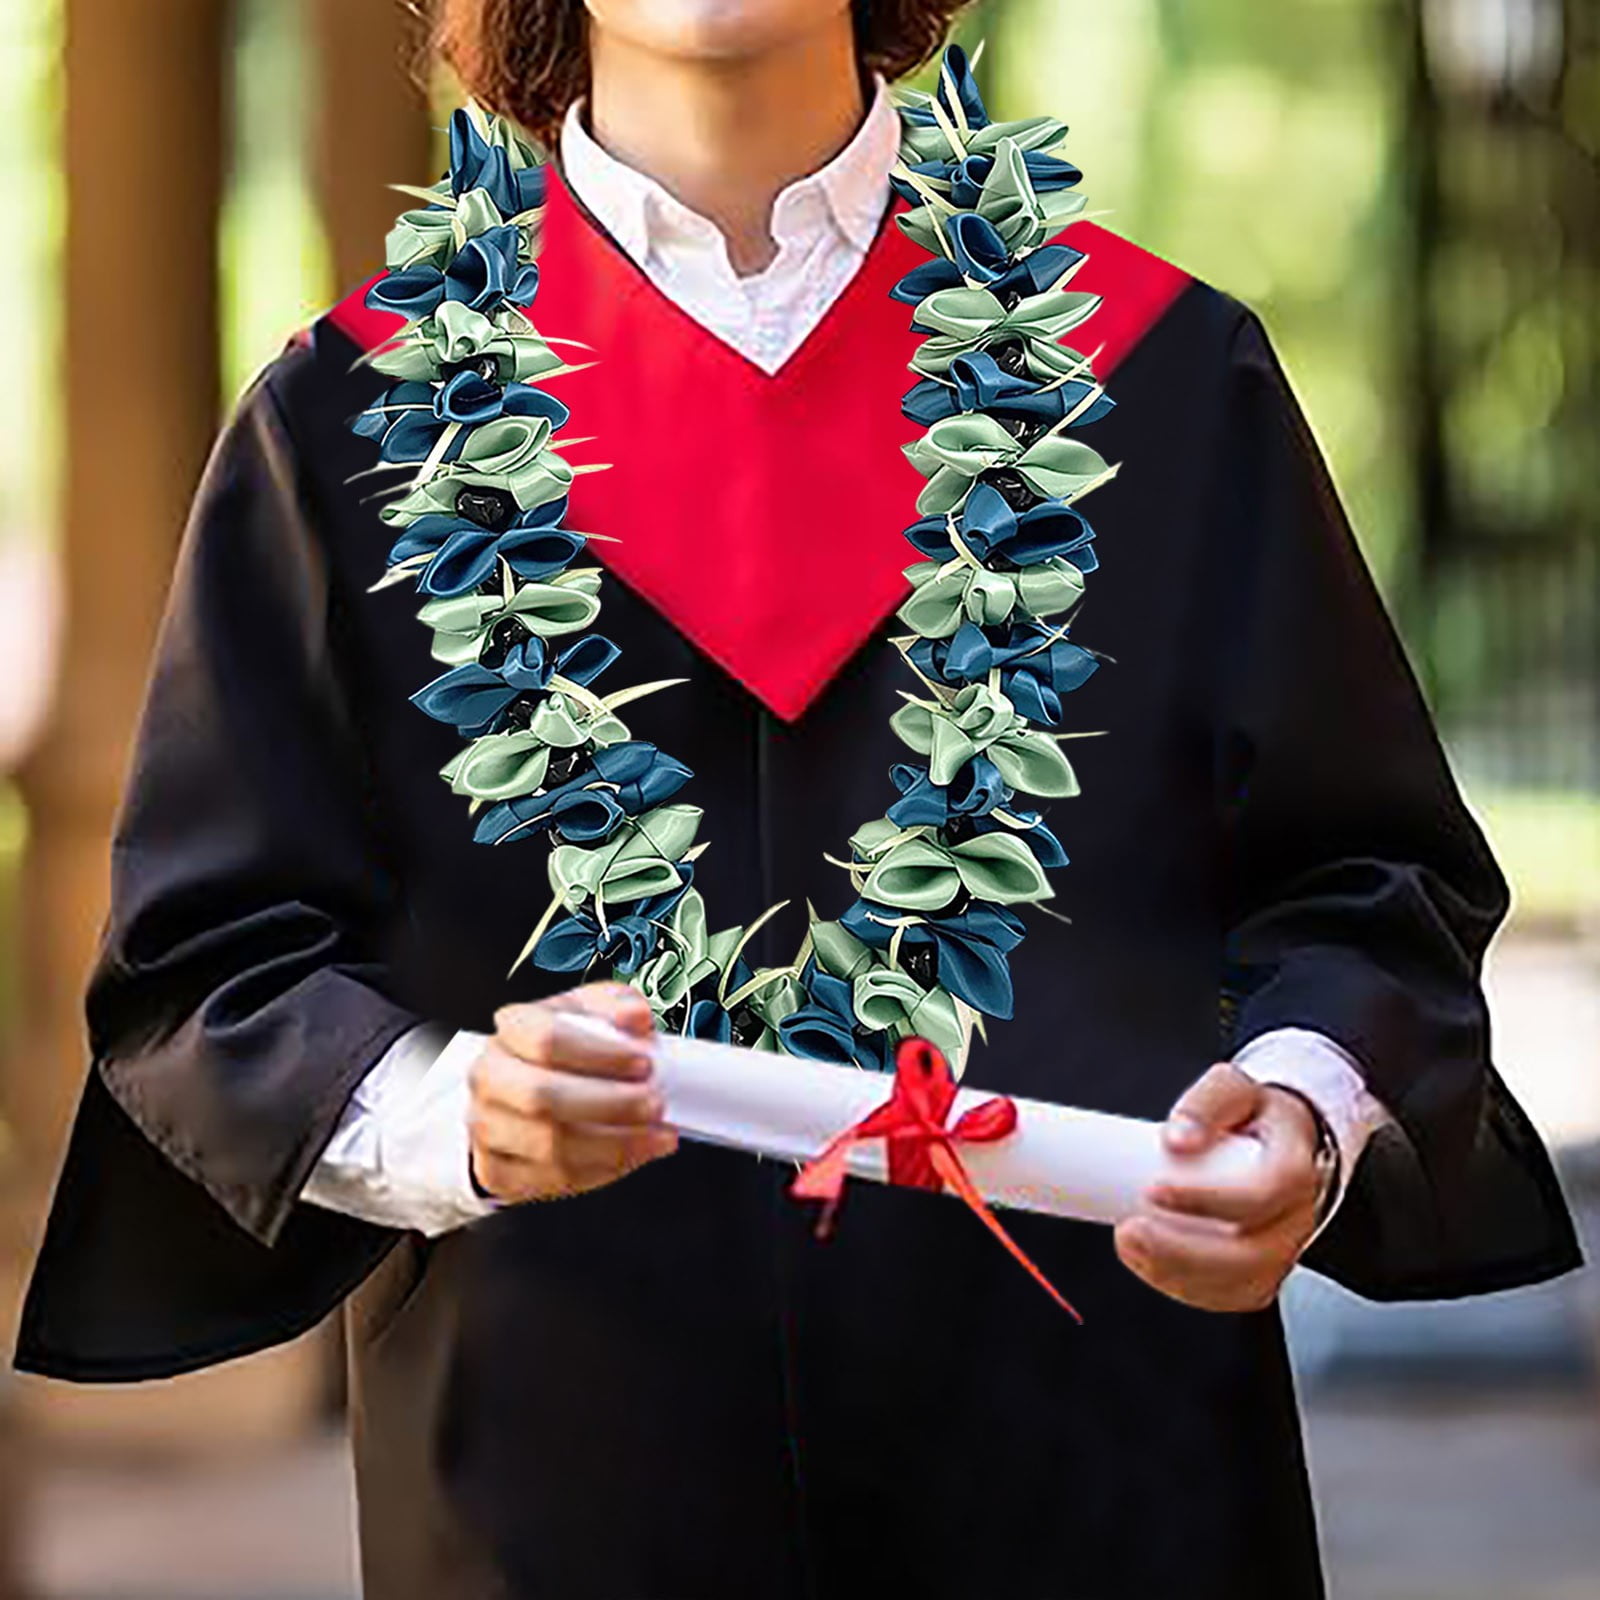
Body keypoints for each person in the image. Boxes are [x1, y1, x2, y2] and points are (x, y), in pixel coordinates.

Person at [14, 3, 1583, 1597]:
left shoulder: (1161, 380)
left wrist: (1305, 1119)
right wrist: (453, 1117)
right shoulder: (348, 430)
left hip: (1111, 1489)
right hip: (564, 1502)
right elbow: (209, 978)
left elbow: (1369, 888)